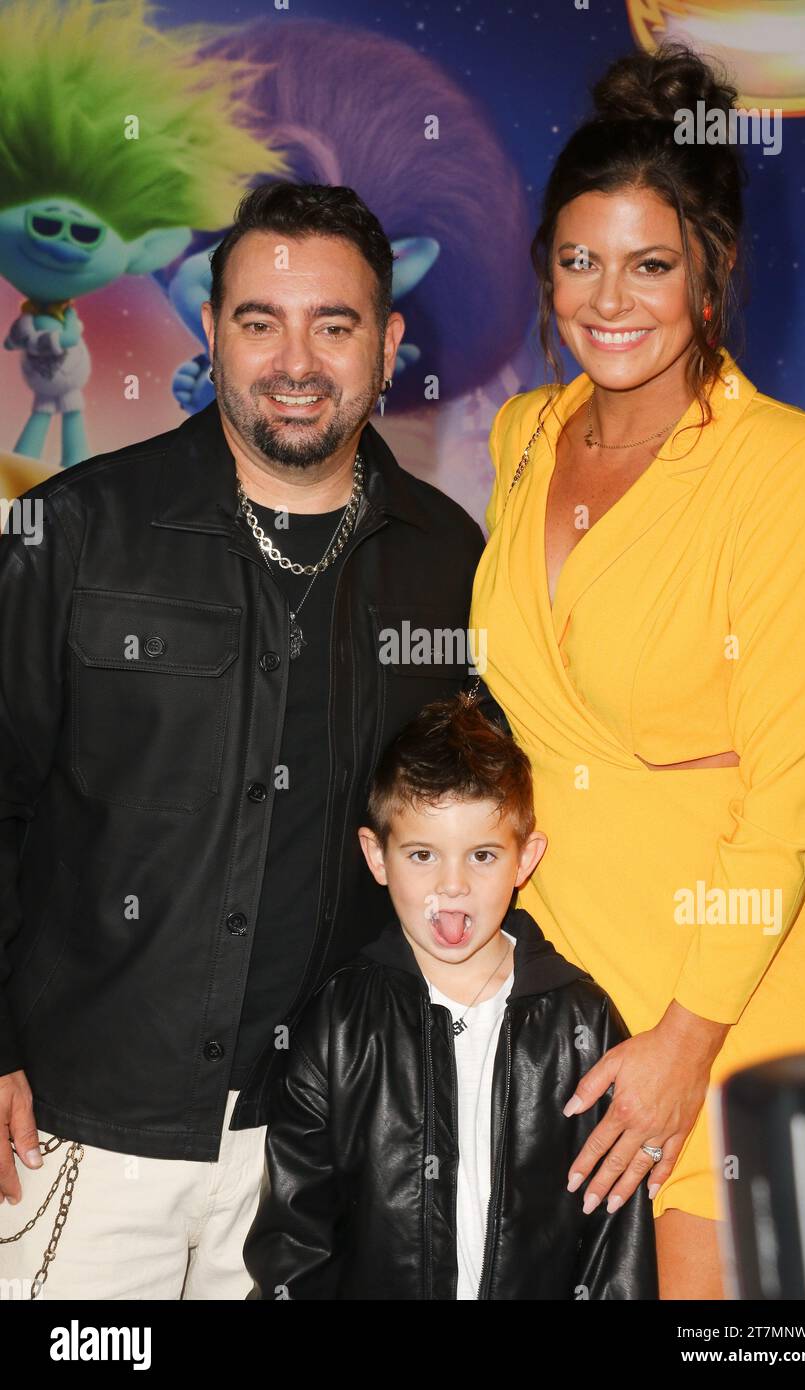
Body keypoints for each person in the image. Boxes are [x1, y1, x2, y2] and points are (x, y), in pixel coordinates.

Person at [0, 181, 491, 1298]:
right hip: (80, 1129)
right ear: (212, 329)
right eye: (259, 320)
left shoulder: (446, 560)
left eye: (335, 323)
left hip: (315, 1145)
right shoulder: (75, 530)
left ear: (386, 341)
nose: (295, 360)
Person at [469, 42, 805, 1299]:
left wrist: (685, 1044)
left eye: (650, 264)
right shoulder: (520, 435)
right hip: (557, 997)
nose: (608, 299)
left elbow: (796, 798)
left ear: (712, 272)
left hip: (726, 1011)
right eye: (579, 260)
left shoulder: (804, 476)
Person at [242, 695, 658, 1299]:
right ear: (376, 857)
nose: (452, 885)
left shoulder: (583, 1022)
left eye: (483, 855)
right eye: (422, 855)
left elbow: (616, 1243)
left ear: (526, 859)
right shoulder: (340, 1022)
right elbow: (295, 1237)